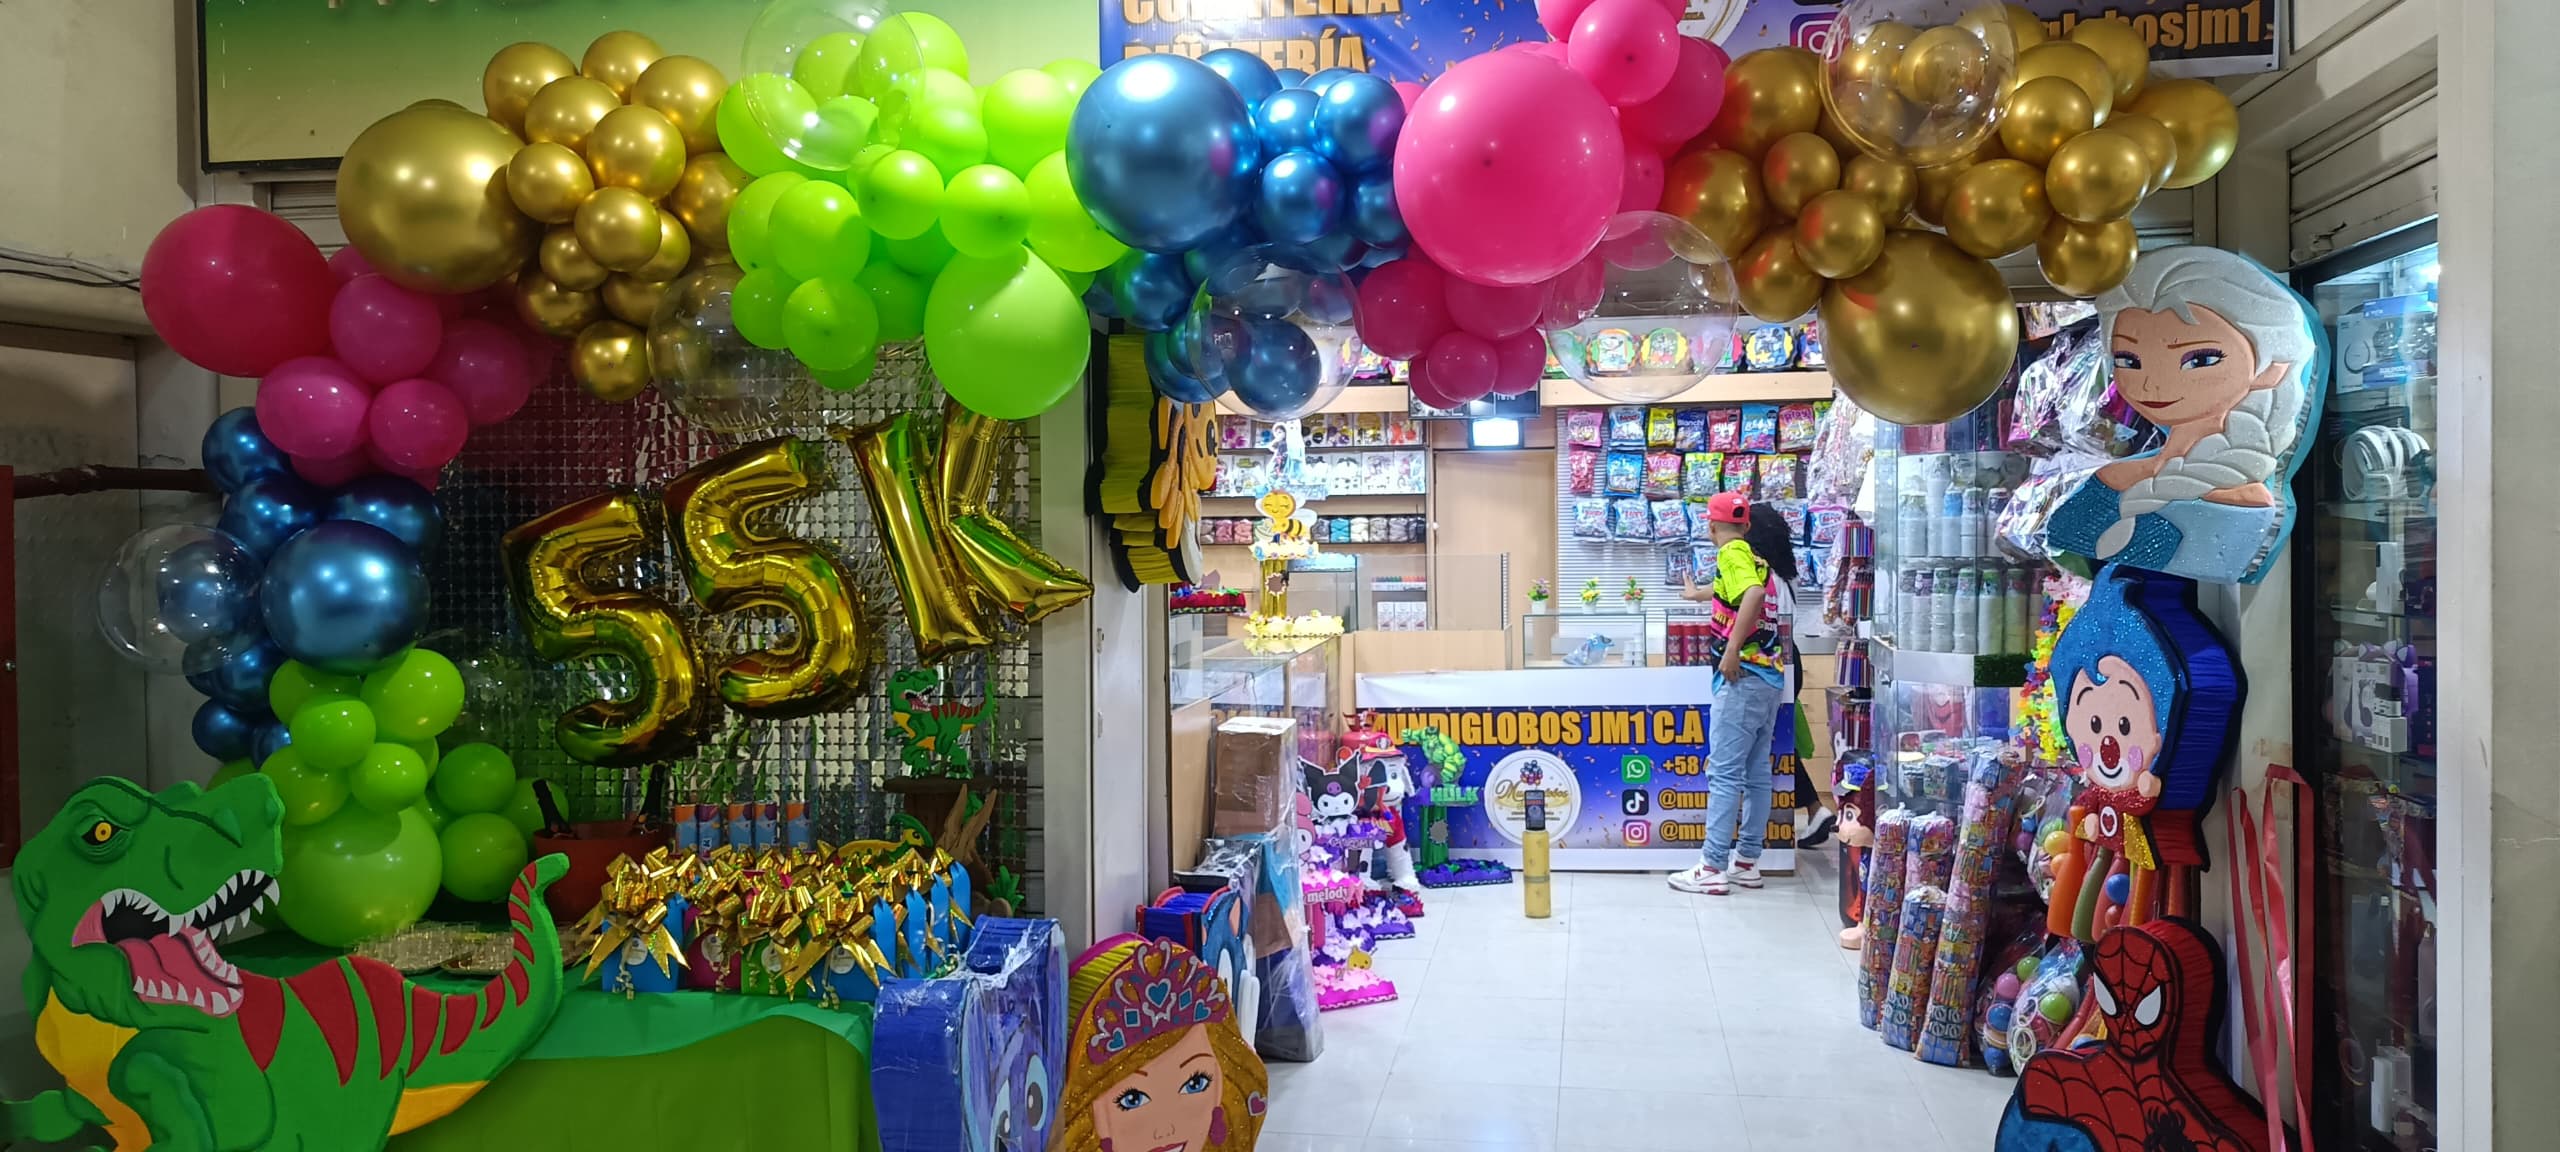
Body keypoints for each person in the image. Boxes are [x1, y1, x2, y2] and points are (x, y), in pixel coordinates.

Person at [1669, 492, 1788, 896]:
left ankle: (1712, 867)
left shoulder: (1731, 552)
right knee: (1756, 775)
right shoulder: (1754, 557)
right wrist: (1696, 594)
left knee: (1722, 774)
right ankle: (1746, 862)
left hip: (1743, 677)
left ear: (1710, 527)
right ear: (1747, 524)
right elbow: (1735, 591)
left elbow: (1751, 595)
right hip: (1769, 677)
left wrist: (1733, 649)